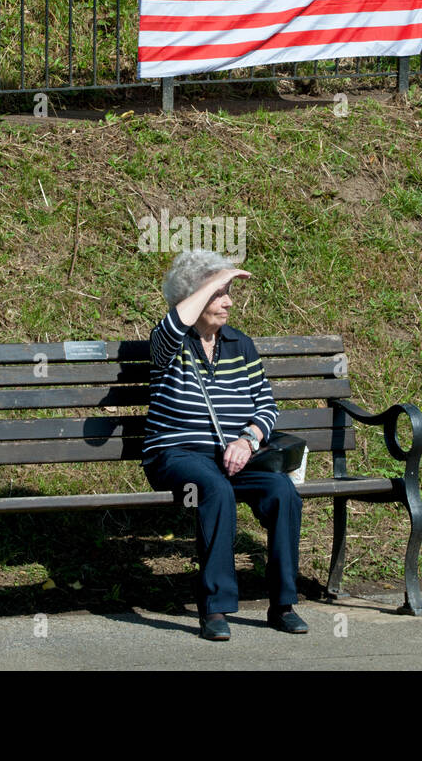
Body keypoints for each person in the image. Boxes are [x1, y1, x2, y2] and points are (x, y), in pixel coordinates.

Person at [142, 249, 307, 641]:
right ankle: (215, 608)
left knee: (282, 490)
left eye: (228, 291)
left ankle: (283, 603)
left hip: (233, 456)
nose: (229, 301)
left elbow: (266, 406)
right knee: (214, 490)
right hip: (177, 456)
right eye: (219, 293)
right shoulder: (168, 343)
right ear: (193, 296)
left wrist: (248, 440)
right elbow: (173, 324)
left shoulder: (239, 344)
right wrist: (210, 281)